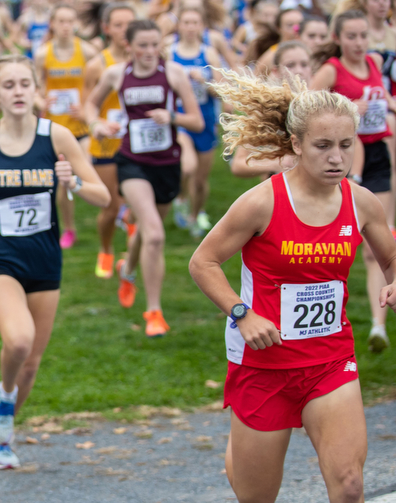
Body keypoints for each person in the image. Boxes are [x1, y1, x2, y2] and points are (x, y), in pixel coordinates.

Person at [190, 69, 396, 503]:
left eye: (346, 145)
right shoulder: (260, 203)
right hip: (264, 365)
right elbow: (203, 264)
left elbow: (389, 254)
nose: (337, 158)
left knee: (350, 484)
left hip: (330, 363)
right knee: (256, 502)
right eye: (324, 146)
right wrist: (242, 313)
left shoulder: (362, 203)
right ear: (297, 145)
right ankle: (238, 453)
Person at [0, 54, 109, 469]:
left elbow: (102, 196)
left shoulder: (57, 137)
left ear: (38, 91)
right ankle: (4, 399)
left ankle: (3, 435)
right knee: (17, 339)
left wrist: (74, 183)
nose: (18, 92)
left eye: (24, 84)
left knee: (31, 361)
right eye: (9, 85)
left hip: (45, 257)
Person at [85, 19, 203, 336]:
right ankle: (154, 312)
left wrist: (172, 117)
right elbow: (90, 105)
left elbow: (197, 122)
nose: (150, 52)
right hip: (131, 162)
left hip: (167, 164)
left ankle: (129, 268)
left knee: (149, 232)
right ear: (130, 46)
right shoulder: (117, 74)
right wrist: (95, 123)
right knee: (154, 234)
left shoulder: (173, 74)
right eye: (143, 45)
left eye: (155, 45)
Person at [312, 10, 396, 352]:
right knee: (334, 242)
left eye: (363, 35)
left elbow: (382, 101)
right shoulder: (332, 69)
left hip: (378, 156)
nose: (359, 43)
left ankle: (379, 325)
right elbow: (307, 107)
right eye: (352, 36)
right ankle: (324, 314)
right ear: (338, 38)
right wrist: (347, 108)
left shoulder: (375, 63)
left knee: (381, 240)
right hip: (342, 159)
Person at [35, 4, 97, 251]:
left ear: (76, 24)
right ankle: (69, 228)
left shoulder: (88, 52)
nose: (65, 26)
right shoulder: (43, 54)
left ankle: (116, 208)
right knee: (62, 182)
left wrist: (86, 106)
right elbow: (36, 87)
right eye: (60, 21)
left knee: (88, 171)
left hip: (80, 127)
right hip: (53, 129)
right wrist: (42, 100)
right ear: (52, 24)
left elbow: (100, 85)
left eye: (70, 21)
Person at [82, 2, 135, 280]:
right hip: (106, 145)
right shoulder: (97, 65)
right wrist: (98, 124)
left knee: (137, 205)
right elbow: (86, 106)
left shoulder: (146, 59)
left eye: (130, 24)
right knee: (111, 205)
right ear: (107, 29)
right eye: (118, 25)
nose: (125, 30)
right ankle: (105, 248)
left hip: (137, 145)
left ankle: (132, 254)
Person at [169, 6, 223, 237]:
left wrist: (204, 81)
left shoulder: (208, 54)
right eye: (186, 22)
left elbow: (222, 91)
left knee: (200, 180)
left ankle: (195, 214)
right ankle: (180, 197)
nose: (190, 27)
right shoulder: (169, 52)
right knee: (187, 166)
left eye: (195, 23)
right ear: (179, 26)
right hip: (180, 120)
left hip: (205, 121)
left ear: (202, 27)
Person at [229, 41, 309, 178]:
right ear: (276, 71)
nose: (299, 70)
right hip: (279, 189)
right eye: (290, 65)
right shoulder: (267, 110)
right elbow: (238, 165)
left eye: (304, 64)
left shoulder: (322, 104)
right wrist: (276, 163)